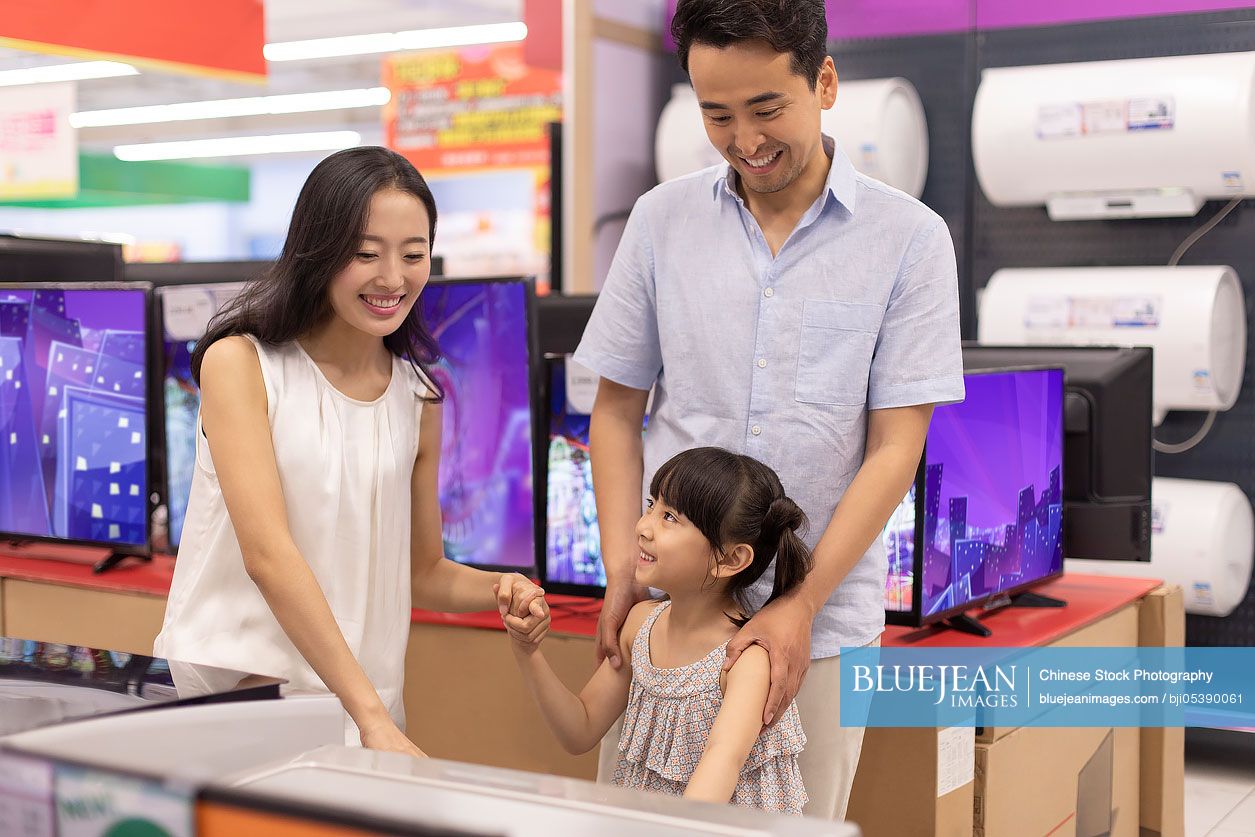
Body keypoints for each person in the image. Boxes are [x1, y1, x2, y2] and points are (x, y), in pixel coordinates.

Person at [573, 0, 965, 819]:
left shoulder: (909, 239)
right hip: (668, 615)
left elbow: (897, 446)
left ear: (823, 82)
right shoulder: (660, 221)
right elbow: (613, 411)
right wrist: (623, 564)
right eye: (716, 115)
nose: (744, 140)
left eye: (765, 109)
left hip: (814, 629)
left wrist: (799, 603)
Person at [154, 146, 548, 755]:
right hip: (248, 694)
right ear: (318, 250)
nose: (393, 277)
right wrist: (369, 717)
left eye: (413, 255)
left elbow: (422, 573)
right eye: (366, 254)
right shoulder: (241, 364)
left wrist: (505, 588)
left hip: (366, 704)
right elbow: (267, 554)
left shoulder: (420, 396)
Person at [501, 448, 813, 815]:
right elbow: (579, 730)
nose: (642, 526)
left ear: (730, 559)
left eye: (668, 517)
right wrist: (527, 650)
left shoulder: (747, 660)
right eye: (651, 505)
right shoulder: (640, 624)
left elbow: (721, 764)